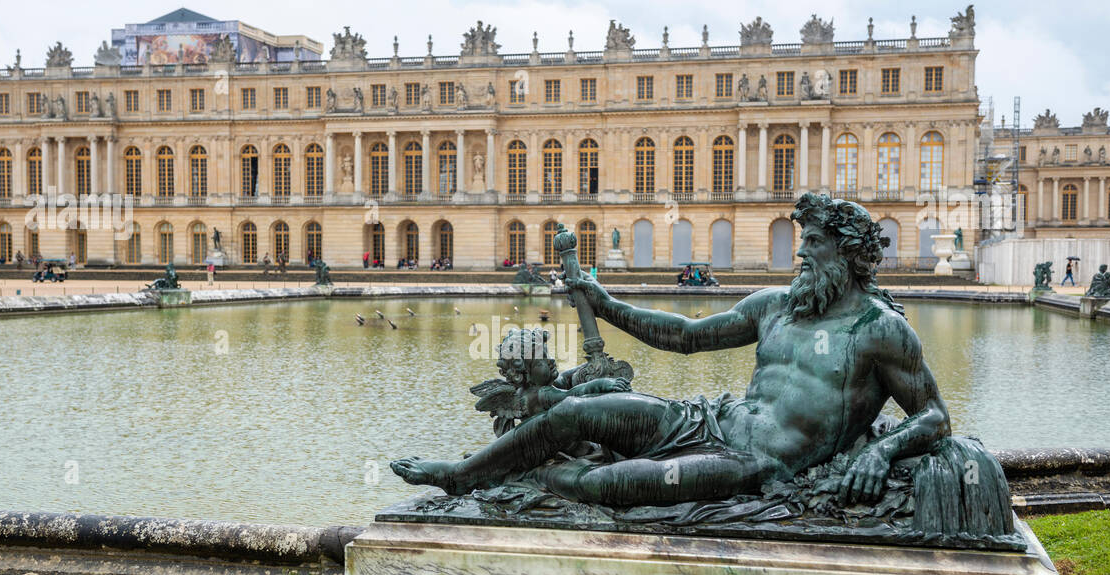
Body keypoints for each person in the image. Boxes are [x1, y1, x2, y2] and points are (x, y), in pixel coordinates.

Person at [393, 192, 951, 508]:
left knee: (614, 483)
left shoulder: (881, 330)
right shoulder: (775, 305)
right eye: (801, 243)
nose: (800, 255)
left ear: (847, 252)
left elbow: (933, 416)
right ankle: (463, 475)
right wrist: (606, 303)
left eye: (813, 244)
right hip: (708, 420)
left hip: (754, 462)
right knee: (574, 411)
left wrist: (881, 451)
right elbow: (685, 335)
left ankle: (526, 481)